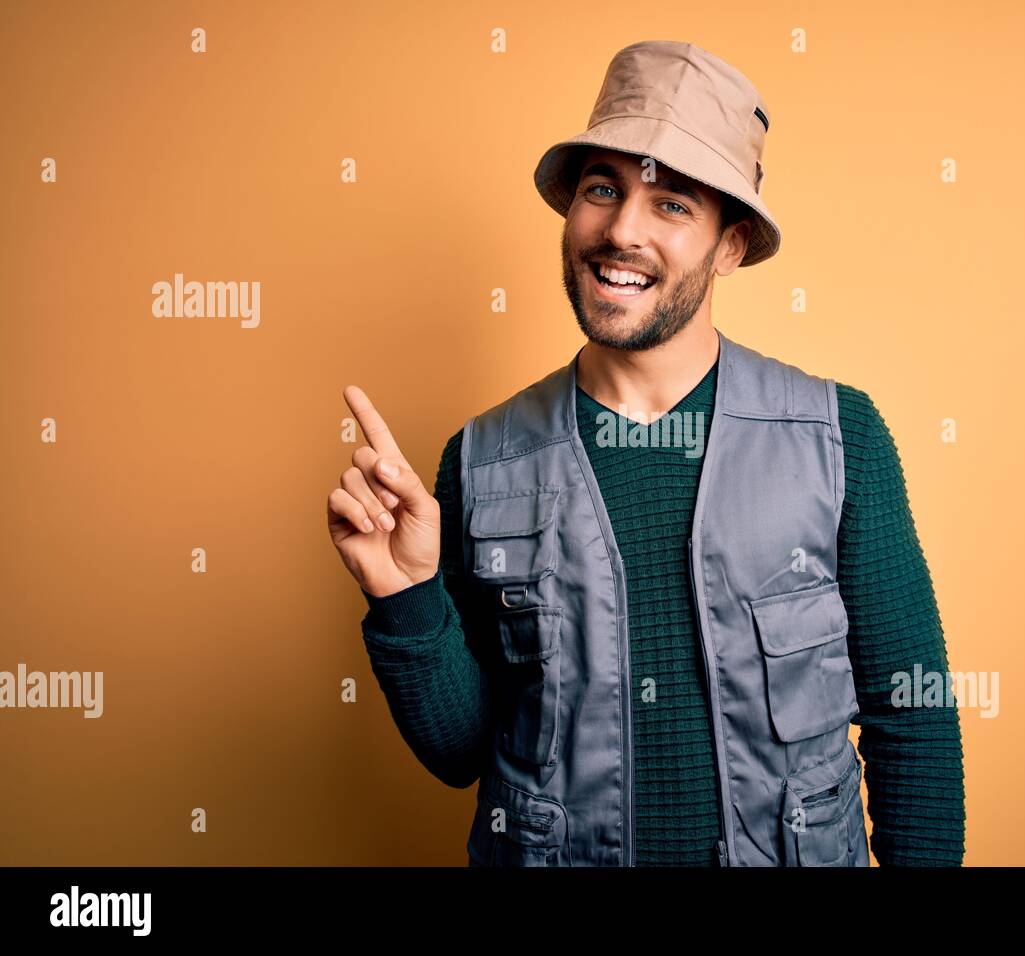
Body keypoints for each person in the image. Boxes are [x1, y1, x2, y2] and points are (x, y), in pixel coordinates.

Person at [327, 40, 965, 867]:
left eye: (671, 204)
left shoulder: (839, 436)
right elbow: (460, 755)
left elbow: (911, 714)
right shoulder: (479, 460)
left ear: (729, 246)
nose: (621, 229)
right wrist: (403, 593)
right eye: (604, 189)